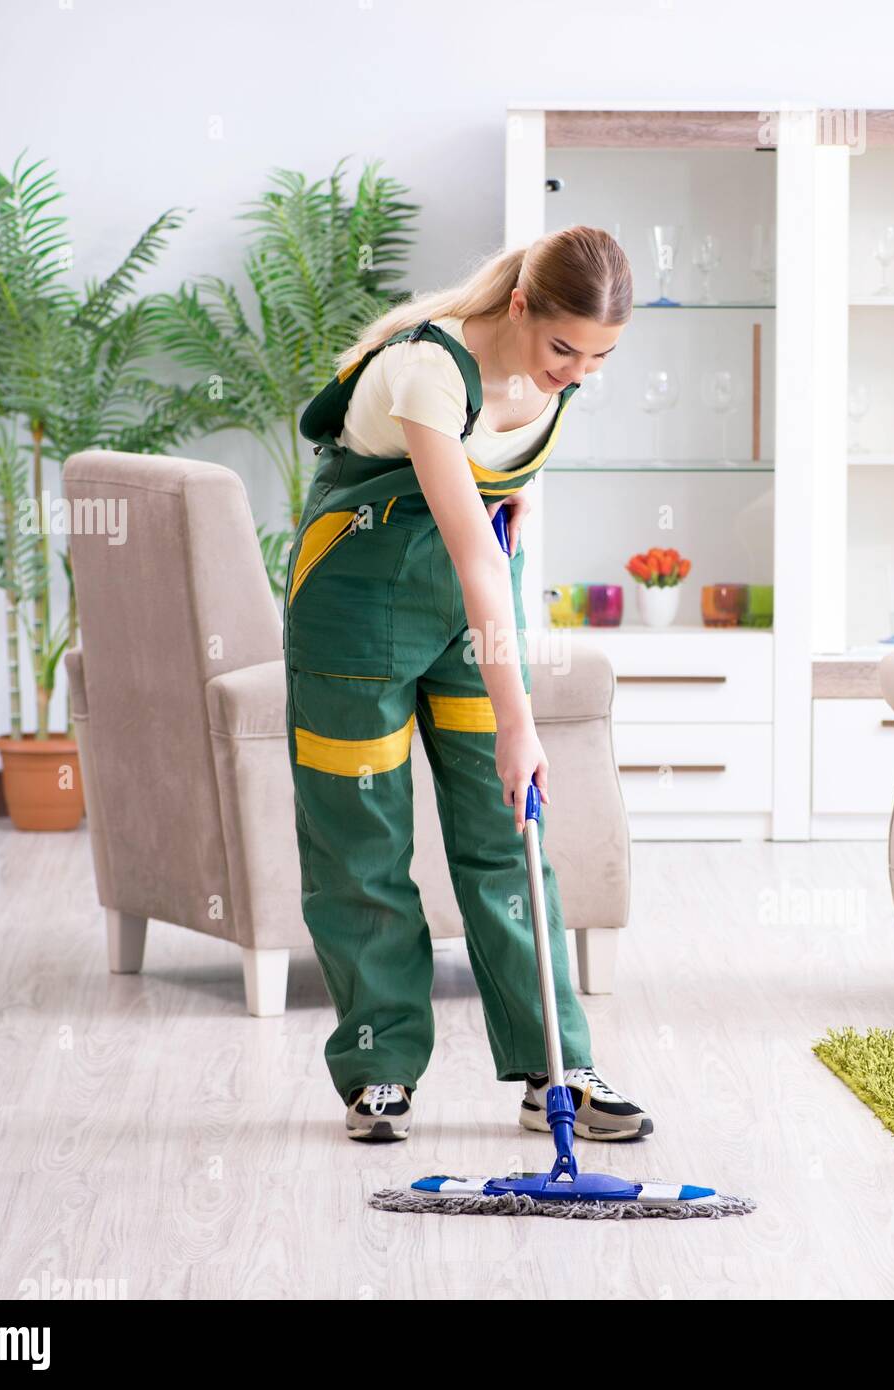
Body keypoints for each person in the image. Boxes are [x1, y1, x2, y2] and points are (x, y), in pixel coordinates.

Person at [284, 224, 650, 1143]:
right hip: (356, 605)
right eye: (563, 346)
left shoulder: (555, 372)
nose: (576, 371)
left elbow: (498, 486)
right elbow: (472, 555)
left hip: (466, 604)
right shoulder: (427, 370)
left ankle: (553, 1071)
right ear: (520, 306)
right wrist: (520, 723)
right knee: (361, 842)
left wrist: (517, 485)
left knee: (507, 833)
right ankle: (378, 1069)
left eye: (599, 356)